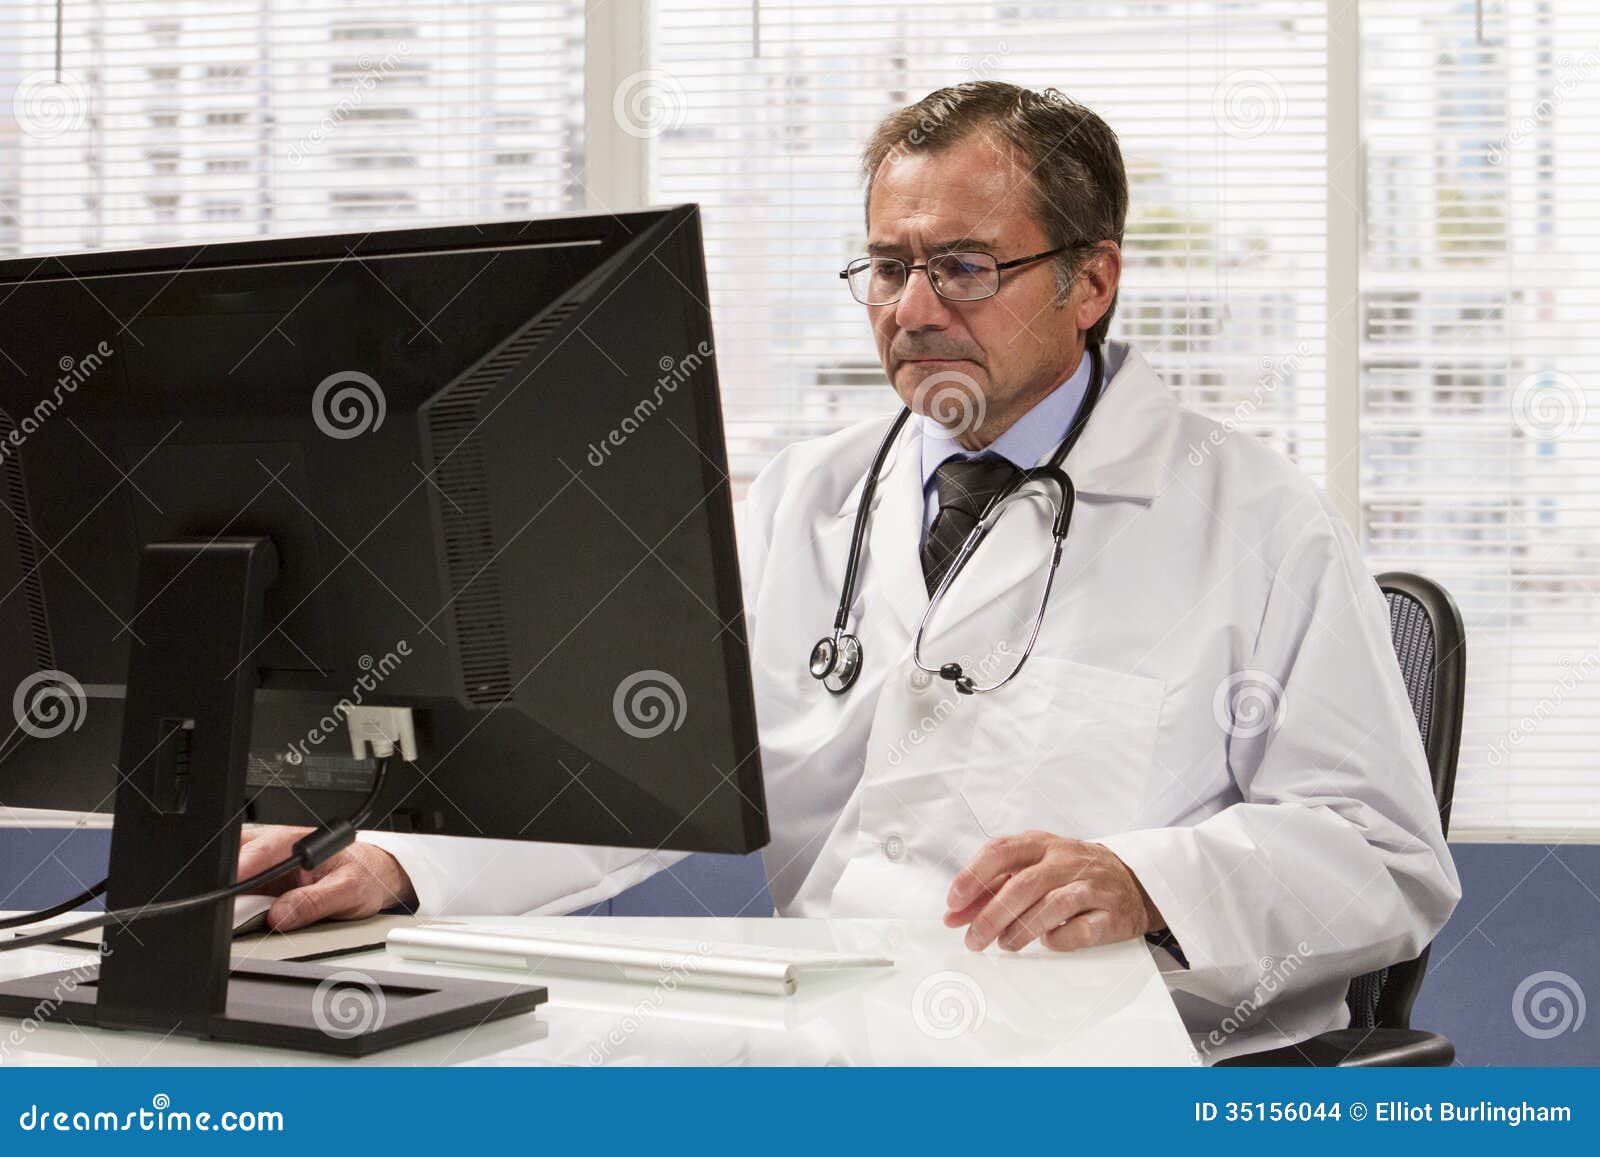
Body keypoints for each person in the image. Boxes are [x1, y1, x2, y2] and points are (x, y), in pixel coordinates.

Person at [237, 82, 1459, 1059]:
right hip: (838, 1022)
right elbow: (653, 764)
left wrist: (1151, 876)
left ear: (1092, 280)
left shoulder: (1257, 516)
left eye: (965, 266)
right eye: (888, 265)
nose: (914, 306)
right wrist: (414, 856)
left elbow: (1384, 858)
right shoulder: (817, 492)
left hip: (1118, 1048)